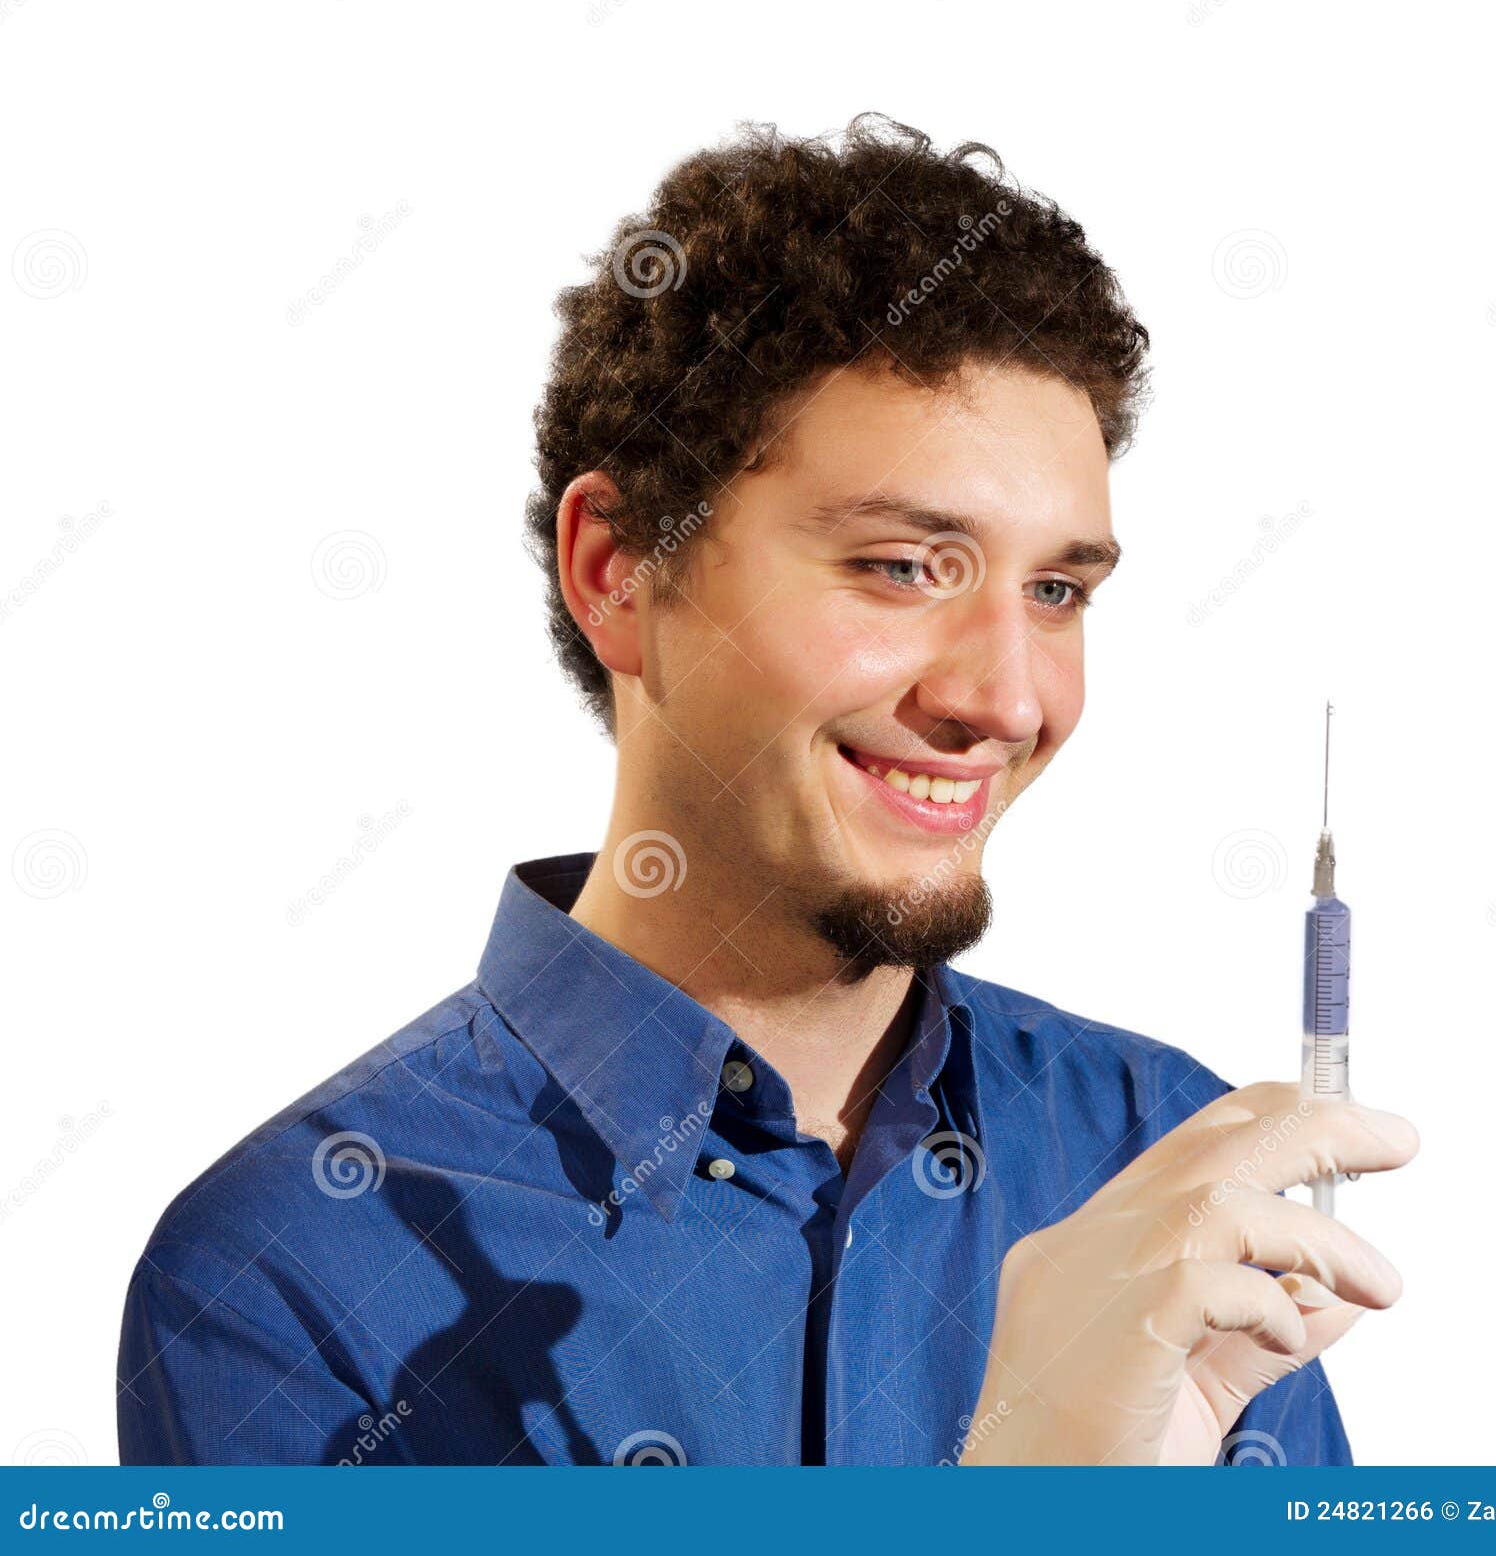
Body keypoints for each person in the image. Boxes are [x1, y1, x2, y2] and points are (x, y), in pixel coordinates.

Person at [117, 115, 1418, 1467]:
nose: (1008, 699)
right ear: (619, 572)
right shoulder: (290, 1269)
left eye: (1056, 592)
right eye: (904, 566)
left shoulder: (1157, 1160)